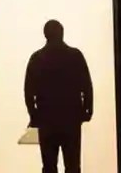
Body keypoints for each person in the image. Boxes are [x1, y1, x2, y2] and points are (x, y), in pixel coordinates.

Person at [24, 20, 93, 173]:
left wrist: (34, 115)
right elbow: (86, 85)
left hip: (46, 119)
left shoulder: (37, 59)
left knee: (49, 166)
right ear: (62, 33)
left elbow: (28, 90)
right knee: (73, 165)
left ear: (45, 35)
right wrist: (88, 109)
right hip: (71, 117)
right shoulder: (75, 56)